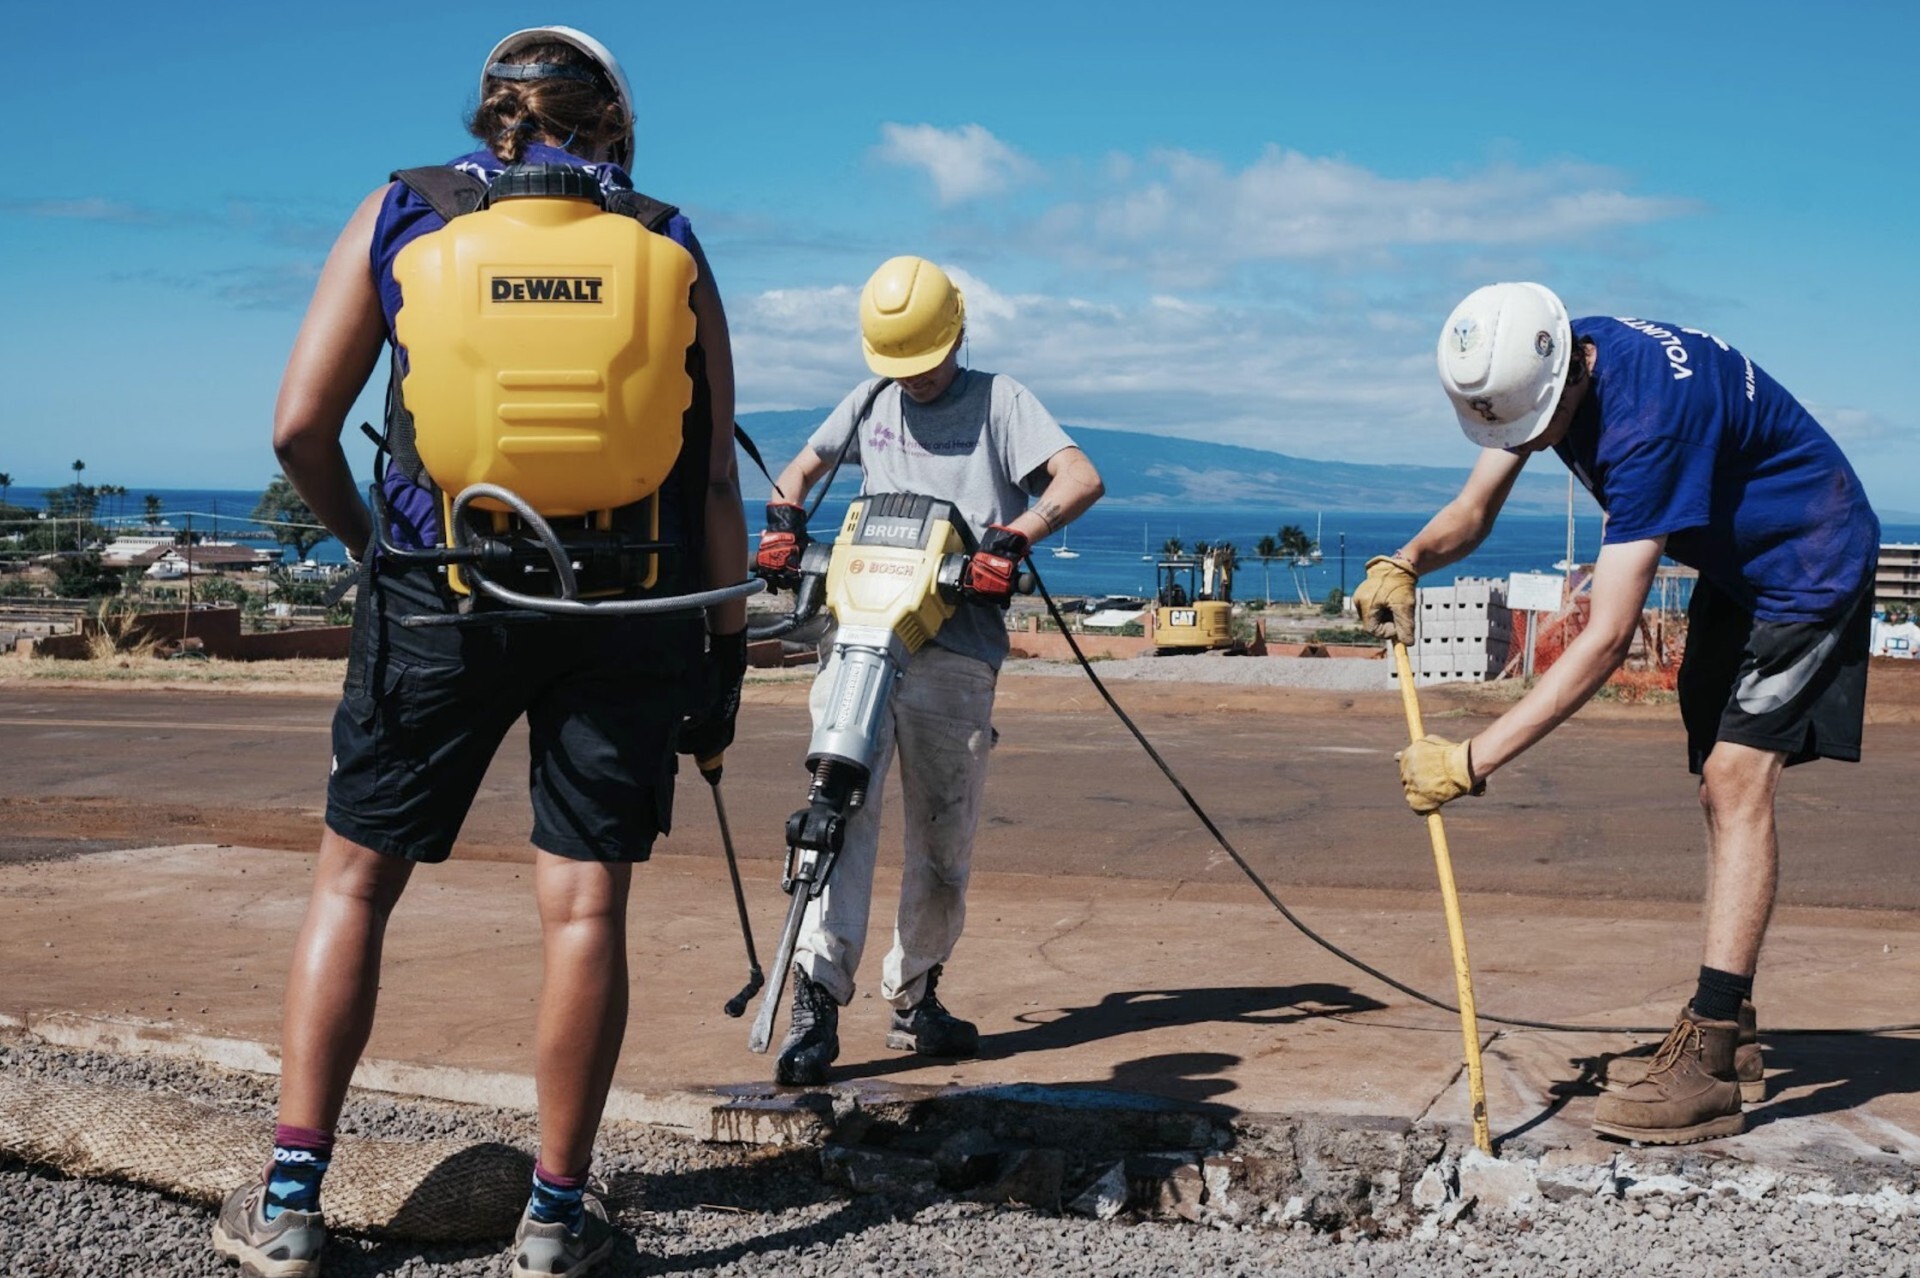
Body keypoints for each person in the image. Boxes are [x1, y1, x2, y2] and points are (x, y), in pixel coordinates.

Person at [210, 28, 749, 1278]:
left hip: (436, 590)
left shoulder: (405, 210)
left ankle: (291, 1203)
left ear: (495, 115)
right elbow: (714, 471)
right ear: (613, 125)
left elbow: (300, 426)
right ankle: (555, 1224)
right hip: (624, 609)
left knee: (354, 884)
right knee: (583, 904)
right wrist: (723, 653)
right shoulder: (665, 238)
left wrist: (373, 553)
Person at [1353, 283, 1879, 1145]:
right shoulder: (1553, 356)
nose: (1526, 444)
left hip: (1807, 568)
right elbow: (1477, 509)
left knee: (1736, 779)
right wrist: (1405, 561)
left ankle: (1708, 1060)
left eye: (1533, 428)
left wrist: (1471, 761)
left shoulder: (1647, 428)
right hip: (1739, 569)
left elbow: (1603, 642)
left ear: (1566, 377)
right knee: (1716, 791)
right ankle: (1734, 1023)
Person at [754, 255, 1105, 1085]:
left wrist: (1014, 536)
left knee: (943, 840)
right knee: (837, 814)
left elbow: (1079, 477)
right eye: (897, 366)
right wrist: (780, 519)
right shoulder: (871, 397)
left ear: (956, 335)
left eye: (923, 362)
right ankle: (816, 1000)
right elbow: (801, 468)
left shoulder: (999, 401)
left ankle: (915, 998)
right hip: (864, 638)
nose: (911, 380)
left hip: (958, 647)